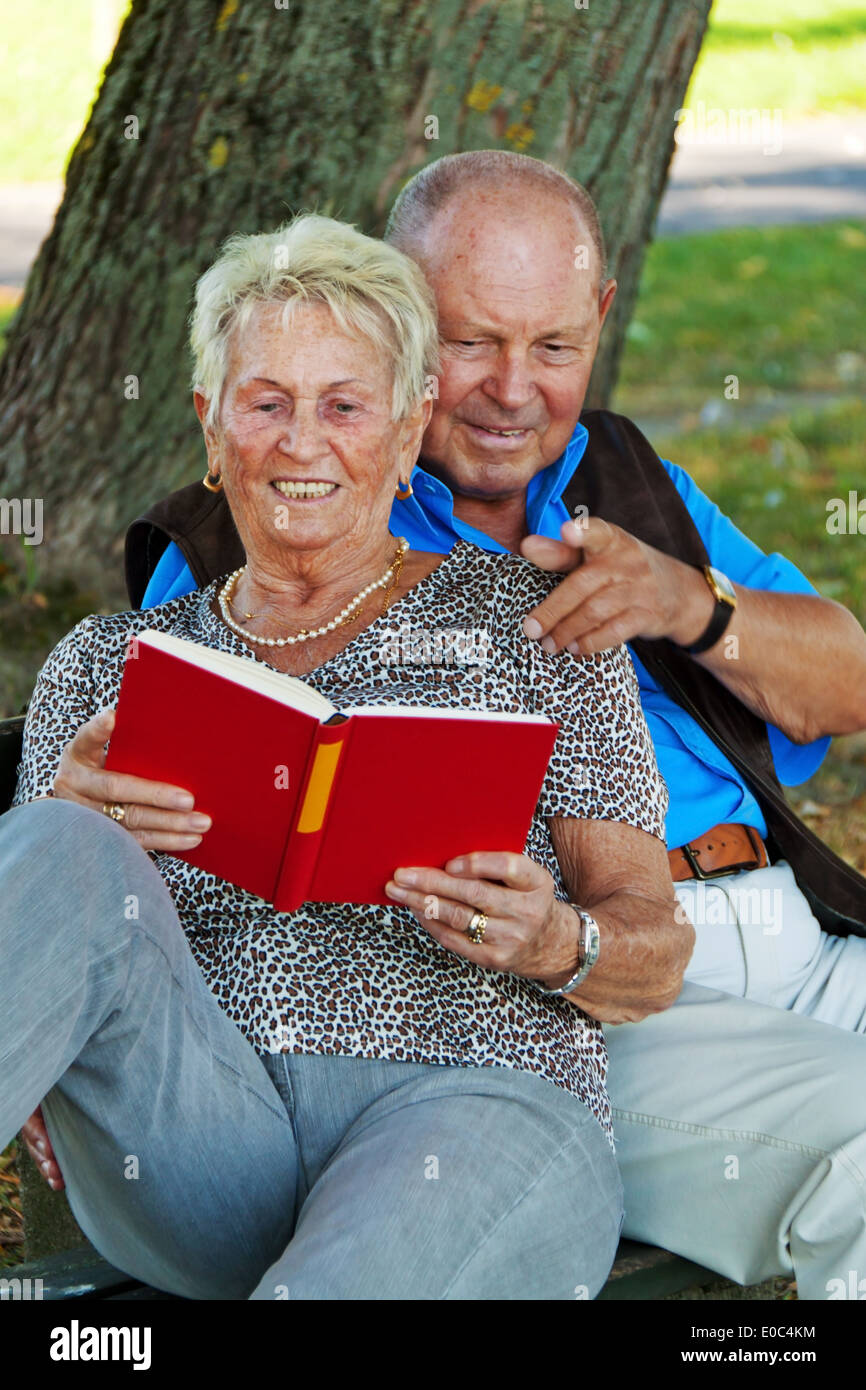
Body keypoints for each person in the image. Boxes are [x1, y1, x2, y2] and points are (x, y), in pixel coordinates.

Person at [109, 151, 866, 1300]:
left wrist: (690, 605)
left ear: (598, 320)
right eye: (470, 342)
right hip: (559, 995)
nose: (514, 390)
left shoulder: (618, 470)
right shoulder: (268, 524)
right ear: (396, 315)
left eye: (553, 347)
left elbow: (844, 684)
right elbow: (186, 857)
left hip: (790, 933)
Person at [3, 212, 685, 1301]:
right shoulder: (108, 663)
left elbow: (652, 953)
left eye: (344, 405)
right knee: (52, 837)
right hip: (201, 1141)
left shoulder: (534, 630)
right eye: (265, 403)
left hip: (474, 1110)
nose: (300, 441)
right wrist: (73, 826)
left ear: (410, 425)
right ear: (210, 428)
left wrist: (558, 938)